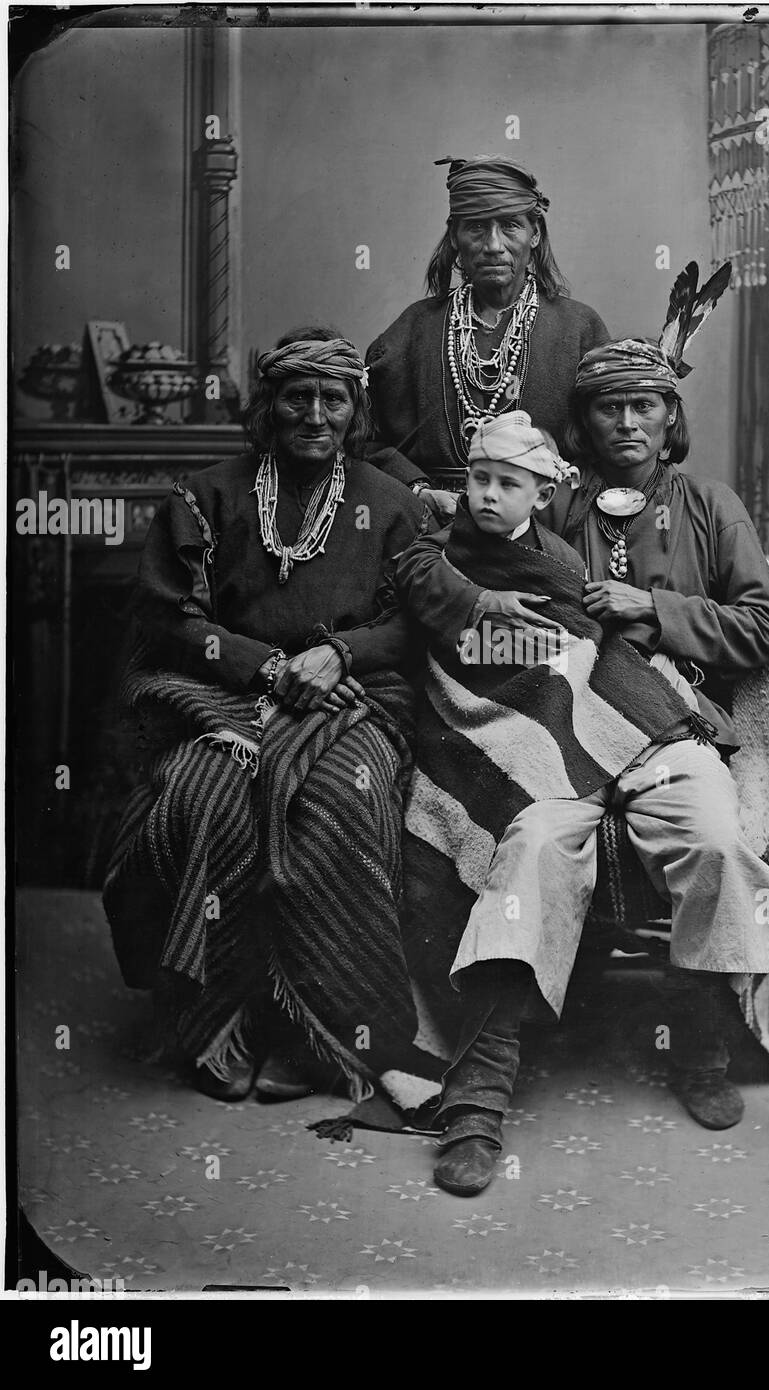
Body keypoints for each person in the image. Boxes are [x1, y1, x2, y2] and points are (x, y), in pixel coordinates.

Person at [398, 340, 769, 1195]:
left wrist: (655, 607)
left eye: (642, 406)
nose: (625, 422)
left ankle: (699, 1038)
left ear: (668, 418)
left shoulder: (706, 504)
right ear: (581, 426)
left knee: (714, 838)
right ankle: (479, 1095)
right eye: (607, 408)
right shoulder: (551, 500)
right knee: (530, 851)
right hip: (548, 730)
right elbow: (464, 533)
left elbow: (764, 626)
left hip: (665, 721)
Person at [103, 327, 429, 1106]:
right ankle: (224, 1020)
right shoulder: (208, 494)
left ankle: (316, 1031)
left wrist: (343, 654)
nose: (315, 414)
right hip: (226, 699)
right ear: (269, 407)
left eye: (333, 398)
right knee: (208, 795)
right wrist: (265, 667)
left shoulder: (391, 507)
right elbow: (168, 620)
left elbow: (419, 622)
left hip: (350, 706)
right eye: (298, 397)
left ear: (355, 410)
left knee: (338, 803)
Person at [365, 155, 609, 517]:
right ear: (454, 235)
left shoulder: (578, 329)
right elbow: (363, 439)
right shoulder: (414, 329)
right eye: (476, 227)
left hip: (546, 526)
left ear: (535, 233)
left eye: (510, 226)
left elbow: (608, 444)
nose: (493, 244)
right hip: (431, 528)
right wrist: (419, 491)